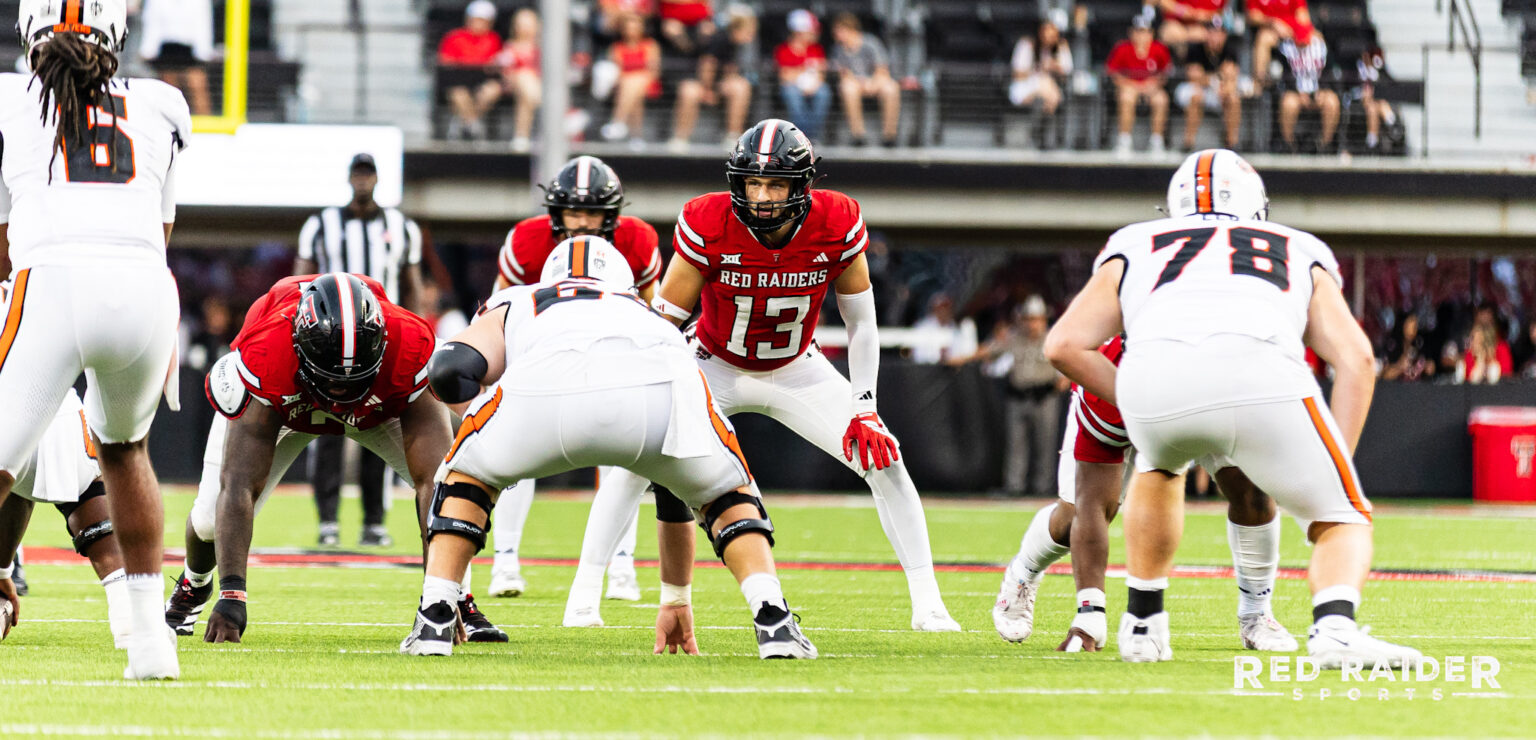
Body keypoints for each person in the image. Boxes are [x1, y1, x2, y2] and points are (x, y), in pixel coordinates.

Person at [569, 119, 961, 632]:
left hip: (796, 366)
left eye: (776, 184)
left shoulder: (836, 221)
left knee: (885, 460)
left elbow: (861, 322)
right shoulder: (708, 220)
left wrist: (865, 407)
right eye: (753, 183)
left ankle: (929, 603)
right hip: (712, 363)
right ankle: (583, 598)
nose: (762, 196)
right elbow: (666, 321)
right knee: (632, 458)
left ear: (803, 186)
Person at [1043, 148, 1421, 668]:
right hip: (1261, 372)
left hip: (1155, 373)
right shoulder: (1297, 244)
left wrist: (1134, 396)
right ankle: (1334, 628)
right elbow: (1356, 359)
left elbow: (1062, 345)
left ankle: (1144, 622)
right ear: (1256, 205)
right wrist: (1333, 469)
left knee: (1159, 465)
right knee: (1343, 514)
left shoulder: (1134, 241)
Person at [401, 236, 817, 660]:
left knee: (465, 478)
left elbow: (450, 370)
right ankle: (773, 619)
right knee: (728, 495)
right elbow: (675, 497)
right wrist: (675, 598)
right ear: (624, 282)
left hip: (543, 387)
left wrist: (494, 433)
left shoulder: (518, 299)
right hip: (660, 384)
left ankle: (436, 615)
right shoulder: (643, 310)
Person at [2, 0, 190, 680]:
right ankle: (149, 645)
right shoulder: (165, 103)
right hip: (143, 288)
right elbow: (159, 231)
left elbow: (4, 248)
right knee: (125, 450)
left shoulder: (10, 103)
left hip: (51, 279)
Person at [163, 274, 507, 645]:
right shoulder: (266, 353)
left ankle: (458, 596)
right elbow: (239, 485)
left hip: (377, 407)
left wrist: (438, 597)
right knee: (209, 518)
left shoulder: (410, 345)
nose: (341, 391)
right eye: (332, 378)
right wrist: (233, 594)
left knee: (449, 483)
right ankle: (194, 584)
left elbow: (433, 484)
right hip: (288, 407)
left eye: (353, 376)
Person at [992, 336, 1298, 653]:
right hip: (1122, 390)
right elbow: (1092, 507)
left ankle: (1256, 614)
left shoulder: (1223, 372)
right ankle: (1023, 572)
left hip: (1208, 389)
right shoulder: (1110, 382)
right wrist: (1089, 615)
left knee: (1253, 491)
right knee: (1074, 517)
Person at [485, 155, 661, 601]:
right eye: (573, 212)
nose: (582, 223)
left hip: (610, 358)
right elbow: (501, 310)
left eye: (592, 212)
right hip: (541, 360)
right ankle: (504, 561)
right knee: (513, 453)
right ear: (555, 212)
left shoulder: (637, 241)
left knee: (625, 456)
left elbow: (655, 313)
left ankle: (621, 568)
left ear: (613, 213)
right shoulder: (528, 241)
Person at [296, 154, 427, 548]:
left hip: (378, 337)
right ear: (350, 177)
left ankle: (374, 520)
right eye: (358, 173)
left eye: (368, 173)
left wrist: (419, 335)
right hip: (327, 338)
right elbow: (301, 273)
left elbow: (411, 281)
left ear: (377, 178)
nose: (363, 180)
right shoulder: (320, 224)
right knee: (326, 429)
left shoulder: (401, 226)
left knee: (379, 422)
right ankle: (328, 521)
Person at [0, 386, 132, 648]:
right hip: (63, 413)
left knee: (13, 479)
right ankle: (129, 618)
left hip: (8, 412)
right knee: (88, 492)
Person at [948, 296, 1068, 497]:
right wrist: (962, 358)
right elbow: (990, 350)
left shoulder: (1052, 338)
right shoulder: (1014, 338)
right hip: (1019, 396)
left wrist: (1063, 383)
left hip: (1045, 396)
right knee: (1016, 445)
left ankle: (1043, 488)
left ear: (1044, 320)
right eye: (1028, 319)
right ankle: (1014, 486)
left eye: (1036, 319)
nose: (1032, 324)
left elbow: (1068, 364)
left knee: (1045, 444)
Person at [670, 7, 759, 150]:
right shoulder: (720, 39)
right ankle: (680, 139)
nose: (751, 35)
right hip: (700, 81)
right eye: (748, 31)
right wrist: (708, 90)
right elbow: (707, 65)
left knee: (741, 87)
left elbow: (730, 69)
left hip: (718, 83)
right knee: (689, 92)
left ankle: (733, 136)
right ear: (737, 29)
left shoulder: (737, 44)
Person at [829, 13, 900, 147]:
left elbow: (882, 69)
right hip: (855, 84)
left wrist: (872, 84)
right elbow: (843, 74)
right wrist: (859, 82)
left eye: (838, 30)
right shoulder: (838, 49)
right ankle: (858, 135)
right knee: (847, 88)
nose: (836, 35)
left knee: (891, 88)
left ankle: (889, 136)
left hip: (876, 80)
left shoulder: (870, 43)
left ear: (849, 28)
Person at [1107, 16, 1172, 158]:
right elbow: (1113, 73)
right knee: (1127, 97)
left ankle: (1157, 142)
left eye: (1145, 31)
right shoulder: (1122, 48)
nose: (1141, 35)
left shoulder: (1159, 48)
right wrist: (1132, 84)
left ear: (1151, 33)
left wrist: (1154, 83)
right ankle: (1124, 141)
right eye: (1138, 31)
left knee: (1161, 99)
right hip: (1129, 87)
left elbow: (1166, 72)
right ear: (1131, 33)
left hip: (1151, 88)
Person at [437, 0, 504, 140]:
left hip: (481, 82)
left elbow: (496, 63)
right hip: (457, 83)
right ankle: (472, 124)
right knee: (459, 94)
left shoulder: (493, 39)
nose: (479, 24)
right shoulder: (454, 37)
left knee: (491, 90)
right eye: (476, 19)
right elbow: (444, 62)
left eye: (483, 20)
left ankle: (467, 123)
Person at [137, 0, 214, 115]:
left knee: (196, 86)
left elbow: (203, 24)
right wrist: (148, 50)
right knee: (168, 90)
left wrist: (203, 53)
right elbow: (152, 22)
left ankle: (206, 125)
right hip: (166, 50)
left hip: (190, 51)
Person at [1175, 18, 1241, 151]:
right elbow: (1194, 77)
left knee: (1233, 98)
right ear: (1206, 33)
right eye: (1212, 32)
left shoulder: (1230, 50)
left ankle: (1231, 143)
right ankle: (1188, 142)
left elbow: (1231, 76)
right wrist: (1217, 77)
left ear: (1224, 35)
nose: (1215, 36)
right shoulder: (1196, 48)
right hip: (1192, 87)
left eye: (1219, 33)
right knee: (1196, 96)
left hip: (1216, 89)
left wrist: (1224, 87)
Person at [1008, 16, 1072, 149]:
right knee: (1045, 83)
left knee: (1047, 86)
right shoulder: (1027, 44)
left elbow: (1067, 75)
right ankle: (1042, 134)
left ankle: (1040, 133)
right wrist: (1039, 67)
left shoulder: (1060, 47)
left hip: (1050, 91)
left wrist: (1055, 67)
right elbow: (1017, 74)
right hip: (1025, 87)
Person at [599, 13, 661, 145]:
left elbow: (653, 71)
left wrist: (638, 79)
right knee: (632, 90)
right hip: (624, 86)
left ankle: (618, 121)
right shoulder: (616, 47)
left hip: (647, 83)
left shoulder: (650, 45)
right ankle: (636, 138)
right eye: (629, 27)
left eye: (635, 27)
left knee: (634, 82)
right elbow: (617, 71)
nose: (632, 31)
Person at [1275, 24, 1338, 154]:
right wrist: (1298, 93)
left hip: (1318, 91)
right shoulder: (1286, 48)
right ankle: (1289, 145)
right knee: (1288, 103)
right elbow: (1284, 75)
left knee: (1332, 102)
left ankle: (1324, 145)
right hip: (1295, 92)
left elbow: (1330, 73)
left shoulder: (1320, 47)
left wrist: (1323, 90)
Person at [775, 10, 830, 142]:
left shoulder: (816, 49)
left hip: (814, 86)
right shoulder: (783, 49)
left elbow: (821, 75)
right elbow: (785, 76)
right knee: (793, 95)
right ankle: (801, 137)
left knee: (824, 93)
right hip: (791, 86)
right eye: (811, 31)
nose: (815, 34)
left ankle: (813, 136)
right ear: (798, 32)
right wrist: (805, 71)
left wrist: (812, 83)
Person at [495, 8, 542, 153]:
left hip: (538, 87)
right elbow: (505, 73)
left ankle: (522, 136)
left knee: (526, 96)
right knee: (524, 78)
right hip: (515, 86)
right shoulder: (510, 47)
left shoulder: (543, 48)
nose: (526, 29)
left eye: (529, 24)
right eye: (522, 25)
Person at [1248, 0, 1311, 85]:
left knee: (1317, 38)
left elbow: (1303, 17)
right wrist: (1273, 23)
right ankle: (1259, 85)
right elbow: (1253, 15)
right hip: (1271, 32)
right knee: (1263, 38)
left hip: (1294, 32)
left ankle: (1312, 83)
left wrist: (1292, 31)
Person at [910, 293, 978, 364]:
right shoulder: (922, 327)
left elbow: (965, 353)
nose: (944, 311)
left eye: (947, 308)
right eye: (941, 308)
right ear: (934, 309)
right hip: (927, 371)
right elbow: (918, 356)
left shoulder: (955, 326)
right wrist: (939, 357)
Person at [1157, 0, 1226, 58]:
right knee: (1172, 31)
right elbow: (1164, 2)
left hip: (1201, 28)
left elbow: (1221, 12)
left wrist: (1204, 15)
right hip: (1177, 24)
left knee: (1212, 36)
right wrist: (1183, 11)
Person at [1380, 312, 1432, 381]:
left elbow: (1429, 367)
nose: (1412, 331)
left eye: (1414, 327)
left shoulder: (1419, 345)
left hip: (1417, 389)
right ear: (1403, 326)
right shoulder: (1392, 346)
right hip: (1397, 389)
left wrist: (1429, 368)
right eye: (1409, 326)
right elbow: (1385, 376)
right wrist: (1399, 367)